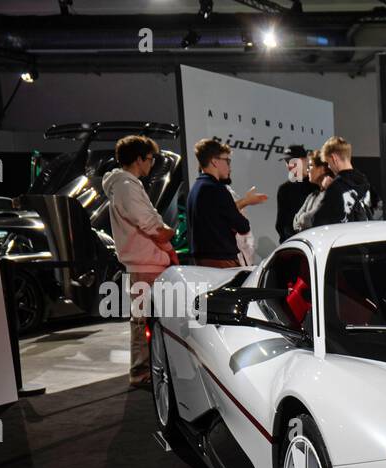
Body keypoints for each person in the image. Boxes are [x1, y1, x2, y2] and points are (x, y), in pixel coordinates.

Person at [103, 134, 176, 387]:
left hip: (145, 263)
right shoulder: (126, 186)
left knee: (144, 318)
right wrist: (168, 235)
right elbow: (150, 224)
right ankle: (142, 372)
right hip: (145, 264)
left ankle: (146, 370)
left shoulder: (125, 185)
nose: (152, 163)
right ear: (138, 159)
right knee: (145, 320)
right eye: (150, 158)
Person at [186, 137, 267, 268]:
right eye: (227, 161)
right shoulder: (216, 189)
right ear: (214, 161)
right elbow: (243, 226)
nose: (229, 166)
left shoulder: (195, 189)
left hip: (202, 261)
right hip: (221, 261)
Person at [310, 135, 376, 226]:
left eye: (328, 163)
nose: (329, 167)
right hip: (366, 237)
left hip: (344, 238)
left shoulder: (335, 187)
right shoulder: (366, 183)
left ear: (334, 158)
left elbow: (317, 221)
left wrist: (325, 191)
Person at [275, 144, 317, 242]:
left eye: (292, 161)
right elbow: (281, 224)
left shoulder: (317, 185)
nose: (289, 165)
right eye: (286, 161)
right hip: (294, 244)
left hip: (316, 241)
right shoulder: (284, 189)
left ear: (304, 160)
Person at [292, 150, 330, 233]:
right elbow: (295, 223)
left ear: (322, 169)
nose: (308, 170)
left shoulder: (332, 194)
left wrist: (303, 219)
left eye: (311, 166)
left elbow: (307, 219)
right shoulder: (312, 195)